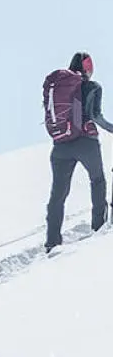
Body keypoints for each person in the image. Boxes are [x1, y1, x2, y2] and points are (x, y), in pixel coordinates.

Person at [45, 52, 113, 252]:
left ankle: (51, 242)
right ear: (87, 68)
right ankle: (99, 226)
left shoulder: (59, 86)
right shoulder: (92, 87)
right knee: (97, 180)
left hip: (60, 146)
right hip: (85, 142)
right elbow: (95, 116)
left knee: (58, 195)